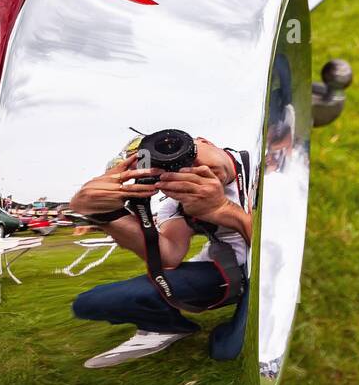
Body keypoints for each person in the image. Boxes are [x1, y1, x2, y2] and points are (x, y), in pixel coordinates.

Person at [67, 139, 251, 369]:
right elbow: (169, 256)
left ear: (203, 141)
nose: (187, 168)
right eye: (163, 167)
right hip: (228, 271)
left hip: (274, 269)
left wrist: (224, 210)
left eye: (183, 153)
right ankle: (166, 326)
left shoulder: (267, 167)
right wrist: (108, 214)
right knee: (92, 301)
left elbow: (289, 251)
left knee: (230, 349)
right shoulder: (177, 199)